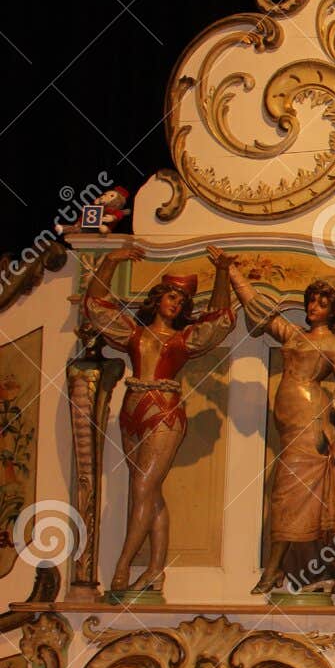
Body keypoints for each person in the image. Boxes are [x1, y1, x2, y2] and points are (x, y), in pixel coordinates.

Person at [80, 245, 236, 593]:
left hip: (163, 412)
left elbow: (220, 320)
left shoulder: (182, 340)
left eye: (181, 302)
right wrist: (109, 261)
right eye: (171, 297)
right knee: (151, 494)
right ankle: (155, 571)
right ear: (158, 298)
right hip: (131, 409)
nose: (175, 305)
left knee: (142, 489)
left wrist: (223, 273)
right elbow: (95, 308)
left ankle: (121, 569)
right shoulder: (134, 334)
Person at [211, 247, 335, 593]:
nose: (313, 307)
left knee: (287, 498)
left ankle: (275, 569)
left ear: (333, 309)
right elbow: (259, 310)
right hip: (291, 426)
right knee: (287, 498)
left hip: (311, 427)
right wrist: (232, 272)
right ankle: (303, 571)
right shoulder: (295, 335)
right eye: (311, 300)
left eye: (322, 303)